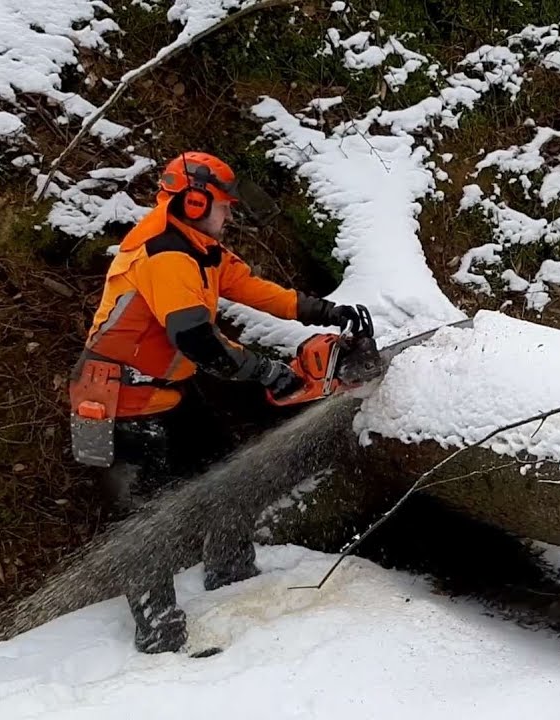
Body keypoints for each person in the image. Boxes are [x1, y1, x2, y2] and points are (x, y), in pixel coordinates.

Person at [69, 151, 364, 653]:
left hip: (169, 390)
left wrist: (322, 310)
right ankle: (159, 634)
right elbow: (197, 340)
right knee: (150, 518)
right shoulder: (166, 256)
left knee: (230, 468)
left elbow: (251, 288)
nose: (229, 216)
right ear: (195, 200)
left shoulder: (200, 248)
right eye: (223, 206)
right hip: (122, 399)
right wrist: (265, 370)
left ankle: (231, 571)